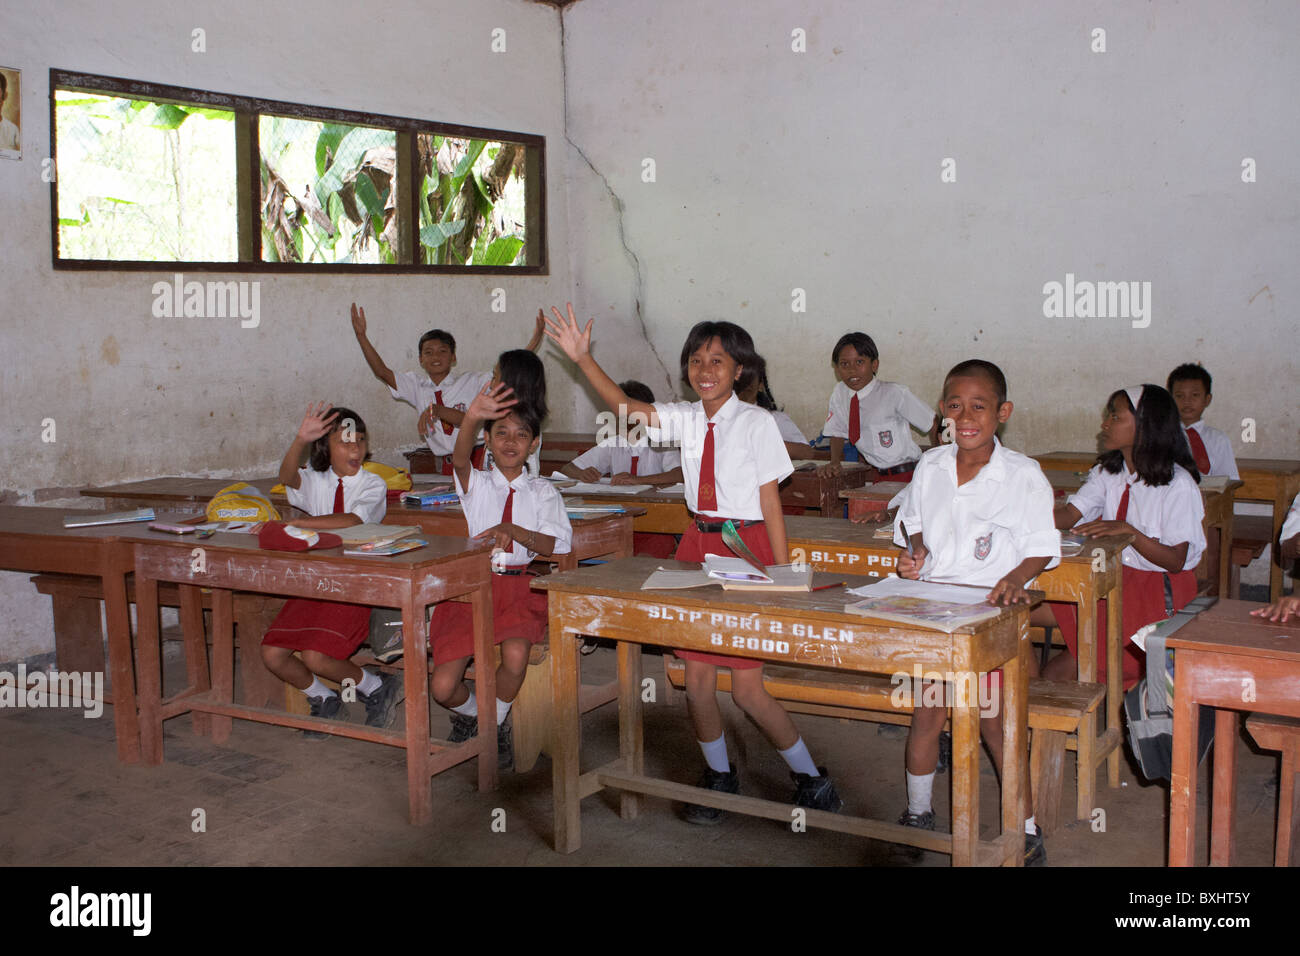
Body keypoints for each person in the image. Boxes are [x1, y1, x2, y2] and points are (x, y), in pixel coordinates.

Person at [545, 303, 842, 823]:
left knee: (748, 686)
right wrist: (584, 360)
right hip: (695, 548)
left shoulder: (756, 423)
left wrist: (782, 567)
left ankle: (810, 776)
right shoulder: (684, 418)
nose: (706, 370)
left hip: (746, 548)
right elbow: (627, 408)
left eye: (718, 362)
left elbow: (770, 499)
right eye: (697, 360)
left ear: (740, 371)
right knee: (695, 677)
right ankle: (719, 775)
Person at [892, 360, 1059, 865]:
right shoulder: (931, 466)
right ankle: (919, 814)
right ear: (943, 410)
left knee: (996, 726)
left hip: (989, 617)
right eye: (955, 405)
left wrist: (1015, 578)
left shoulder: (1022, 475)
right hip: (938, 614)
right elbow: (915, 524)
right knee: (927, 715)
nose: (966, 416)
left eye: (979, 406)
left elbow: (1041, 546)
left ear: (1002, 412)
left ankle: (1025, 827)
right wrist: (916, 553)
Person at [427, 383, 572, 769]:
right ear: (487, 442)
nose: (511, 442)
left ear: (534, 444)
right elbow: (459, 459)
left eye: (521, 435)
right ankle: (479, 716)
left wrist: (516, 530)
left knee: (515, 652)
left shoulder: (543, 492)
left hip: (520, 586)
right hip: (472, 588)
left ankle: (494, 727)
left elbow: (558, 546)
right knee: (442, 687)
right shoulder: (476, 484)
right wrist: (472, 415)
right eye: (501, 433)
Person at [1042, 385, 1205, 689]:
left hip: (1156, 593)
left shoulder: (1177, 484)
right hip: (1114, 581)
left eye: (1115, 417)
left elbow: (1176, 560)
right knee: (1022, 614)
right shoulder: (1108, 472)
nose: (1105, 424)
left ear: (1144, 426)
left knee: (1072, 671)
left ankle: (1109, 725)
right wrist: (1014, 514)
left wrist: (1130, 532)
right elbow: (1069, 516)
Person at [259, 403, 402, 735]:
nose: (355, 448)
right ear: (325, 447)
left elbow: (352, 521)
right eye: (345, 441)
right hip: (315, 583)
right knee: (272, 654)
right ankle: (326, 698)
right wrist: (300, 440)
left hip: (354, 585)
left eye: (361, 440)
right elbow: (286, 477)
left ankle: (375, 685)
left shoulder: (372, 485)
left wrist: (300, 522)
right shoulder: (315, 479)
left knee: (315, 657)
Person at [350, 303, 543, 474]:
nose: (436, 357)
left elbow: (511, 370)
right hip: (442, 465)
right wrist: (361, 337)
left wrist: (534, 341)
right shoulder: (416, 386)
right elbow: (382, 372)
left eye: (443, 352)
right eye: (429, 352)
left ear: (453, 358)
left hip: (477, 459)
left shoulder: (474, 381)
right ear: (420, 360)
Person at [560, 379, 682, 558]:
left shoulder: (662, 442)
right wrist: (582, 473)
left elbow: (678, 474)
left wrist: (639, 480)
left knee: (654, 548)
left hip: (655, 525)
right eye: (617, 412)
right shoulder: (613, 443)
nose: (620, 418)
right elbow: (567, 468)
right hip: (619, 523)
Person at [822, 332, 936, 481]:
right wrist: (834, 461)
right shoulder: (840, 393)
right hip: (878, 476)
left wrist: (938, 463)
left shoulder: (894, 393)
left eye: (859, 362)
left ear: (874, 365)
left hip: (909, 474)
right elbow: (836, 432)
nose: (852, 370)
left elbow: (932, 422)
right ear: (836, 369)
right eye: (844, 364)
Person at [1166, 363, 1238, 478]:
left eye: (1195, 395)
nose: (1187, 401)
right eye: (1179, 396)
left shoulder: (1219, 440)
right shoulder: (1162, 437)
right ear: (1170, 399)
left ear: (1207, 399)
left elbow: (1229, 480)